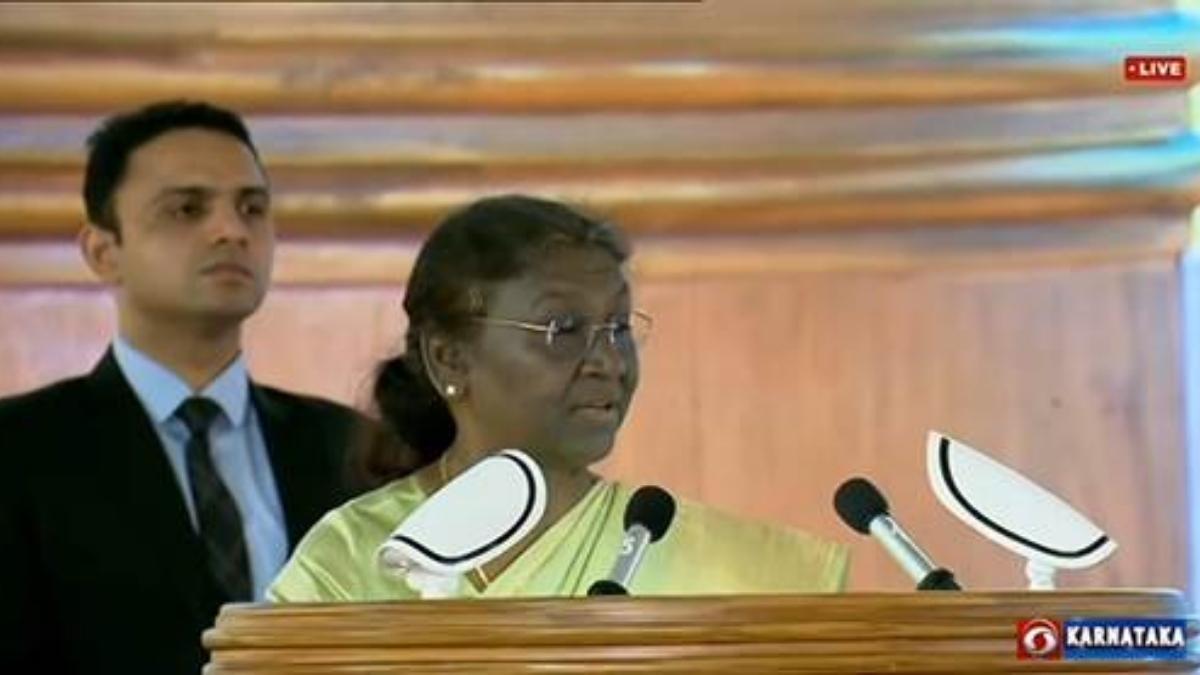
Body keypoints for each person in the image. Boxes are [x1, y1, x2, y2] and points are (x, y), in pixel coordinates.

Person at [268, 194, 849, 603]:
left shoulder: (736, 572)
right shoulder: (351, 560)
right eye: (562, 329)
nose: (608, 362)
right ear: (450, 358)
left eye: (619, 328)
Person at [0, 101, 389, 674]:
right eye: (187, 208)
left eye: (252, 208)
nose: (232, 231)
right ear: (104, 252)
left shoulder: (354, 448)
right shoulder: (20, 449)